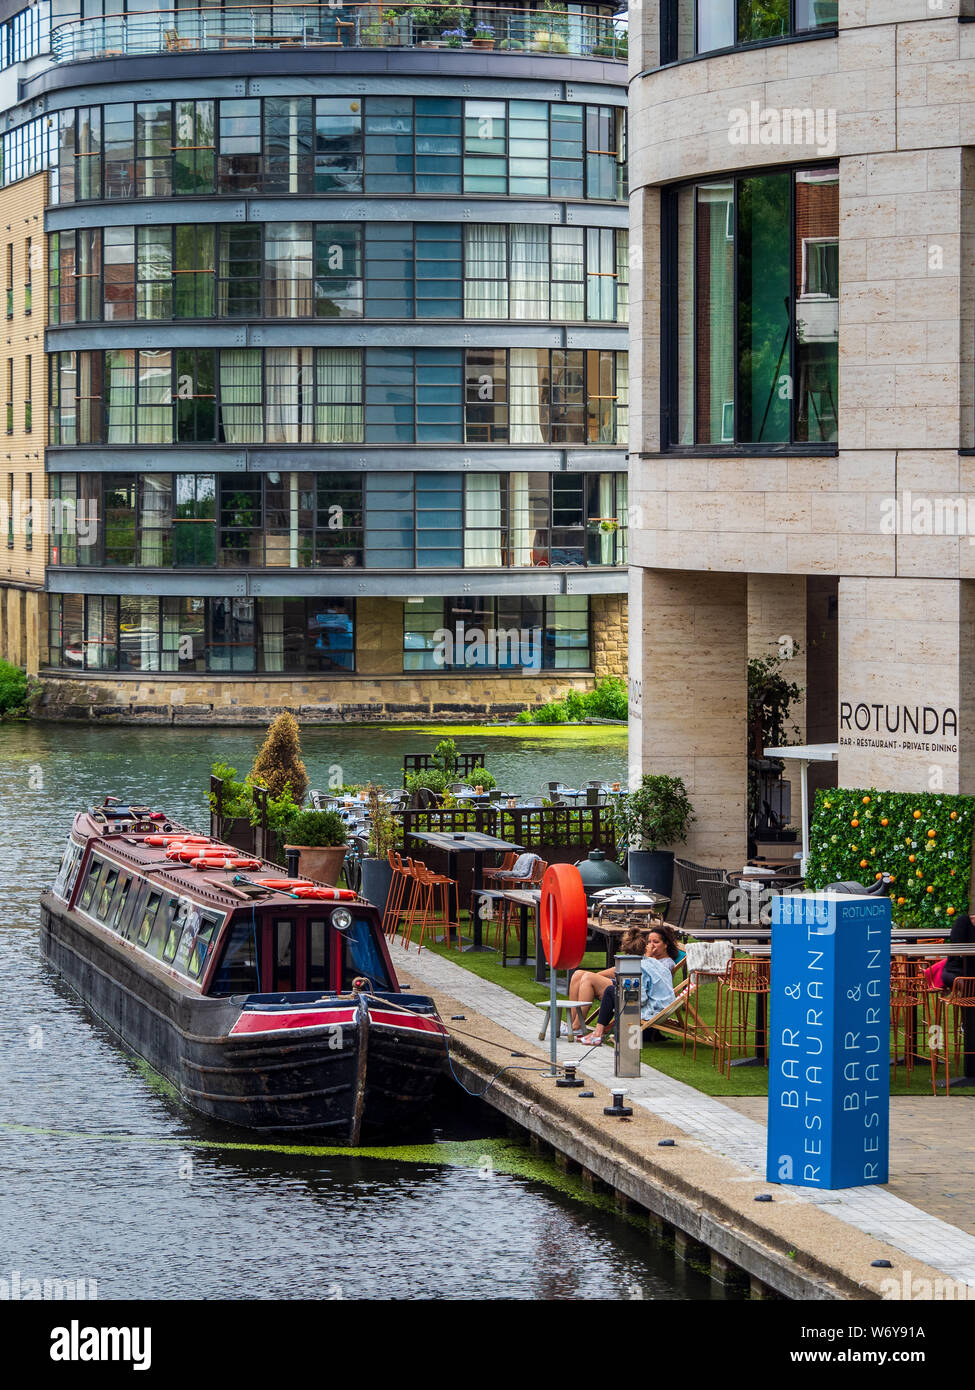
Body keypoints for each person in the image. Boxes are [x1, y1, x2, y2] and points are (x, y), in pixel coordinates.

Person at [579, 923, 684, 1046]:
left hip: (654, 1010)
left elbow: (642, 999)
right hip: (665, 1007)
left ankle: (597, 1034)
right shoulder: (654, 963)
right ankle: (597, 1032)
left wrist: (624, 995)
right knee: (613, 990)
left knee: (610, 991)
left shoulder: (641, 967)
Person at [566, 927, 648, 1035]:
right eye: (650, 942)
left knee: (588, 978)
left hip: (630, 990)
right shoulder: (638, 958)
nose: (652, 944)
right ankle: (571, 1023)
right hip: (624, 980)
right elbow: (615, 970)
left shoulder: (658, 963)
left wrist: (590, 977)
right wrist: (590, 976)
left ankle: (577, 1026)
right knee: (578, 974)